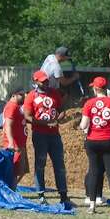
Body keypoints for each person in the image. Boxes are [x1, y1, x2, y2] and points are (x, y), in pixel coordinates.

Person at [24, 71, 73, 209]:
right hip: (40, 134)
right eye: (42, 81)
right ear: (36, 81)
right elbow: (28, 116)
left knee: (59, 165)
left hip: (54, 134)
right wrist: (44, 123)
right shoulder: (31, 96)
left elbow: (61, 109)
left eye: (46, 81)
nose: (46, 83)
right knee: (40, 164)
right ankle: (41, 195)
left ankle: (63, 196)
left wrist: (59, 118)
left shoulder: (54, 93)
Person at [78, 77, 110, 214]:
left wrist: (82, 126)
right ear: (106, 88)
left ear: (95, 89)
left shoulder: (89, 103)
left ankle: (92, 206)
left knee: (93, 172)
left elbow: (84, 125)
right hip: (109, 140)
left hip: (92, 141)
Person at [1, 88, 29, 185]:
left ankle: (11, 188)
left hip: (20, 143)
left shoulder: (17, 106)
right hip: (15, 145)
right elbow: (8, 125)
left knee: (21, 170)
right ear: (14, 95)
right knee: (13, 170)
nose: (23, 96)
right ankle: (8, 189)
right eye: (21, 94)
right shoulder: (11, 106)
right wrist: (11, 142)